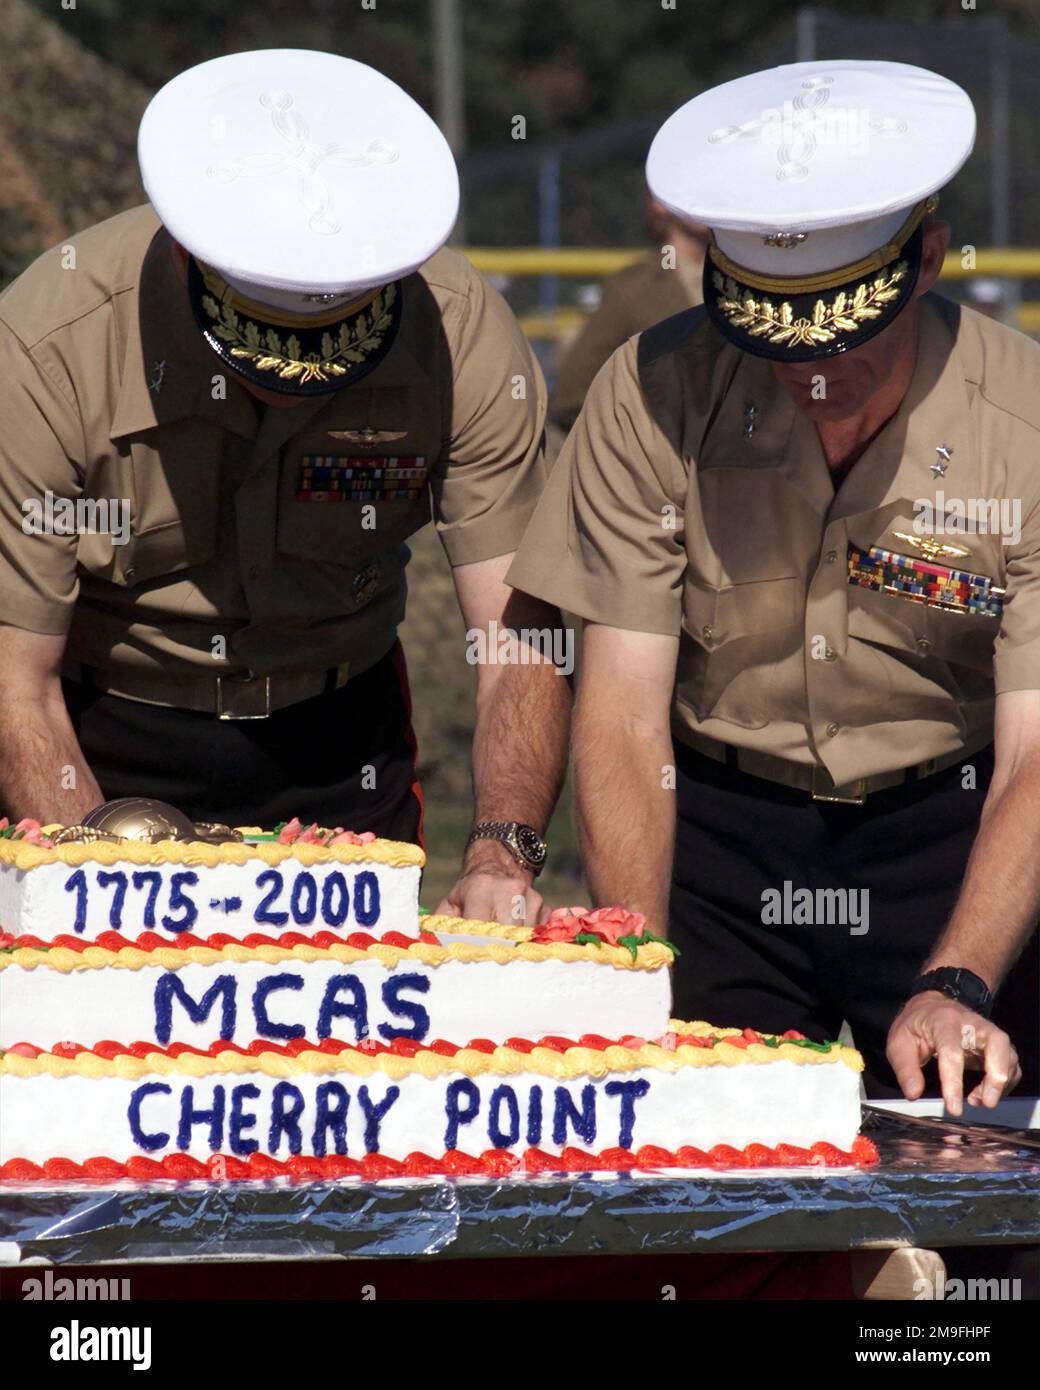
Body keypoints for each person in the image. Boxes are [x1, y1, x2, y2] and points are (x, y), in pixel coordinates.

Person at [507, 60, 1039, 1112]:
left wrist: (957, 979)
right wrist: (636, 962)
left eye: (846, 338)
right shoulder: (652, 394)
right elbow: (621, 716)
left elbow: (1033, 750)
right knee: (701, 1164)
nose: (810, 374)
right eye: (771, 339)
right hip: (717, 836)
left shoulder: (1023, 427)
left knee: (983, 1159)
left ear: (927, 261)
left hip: (953, 831)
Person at [0, 49, 568, 924]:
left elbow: (518, 636)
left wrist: (502, 847)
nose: (298, 402)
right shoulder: (49, 347)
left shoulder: (458, 332)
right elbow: (15, 680)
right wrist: (97, 895)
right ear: (190, 265)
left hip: (337, 740)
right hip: (100, 728)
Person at [550, 197, 707, 433]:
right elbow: (572, 396)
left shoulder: (746, 279)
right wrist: (639, 441)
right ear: (659, 203)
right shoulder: (632, 289)